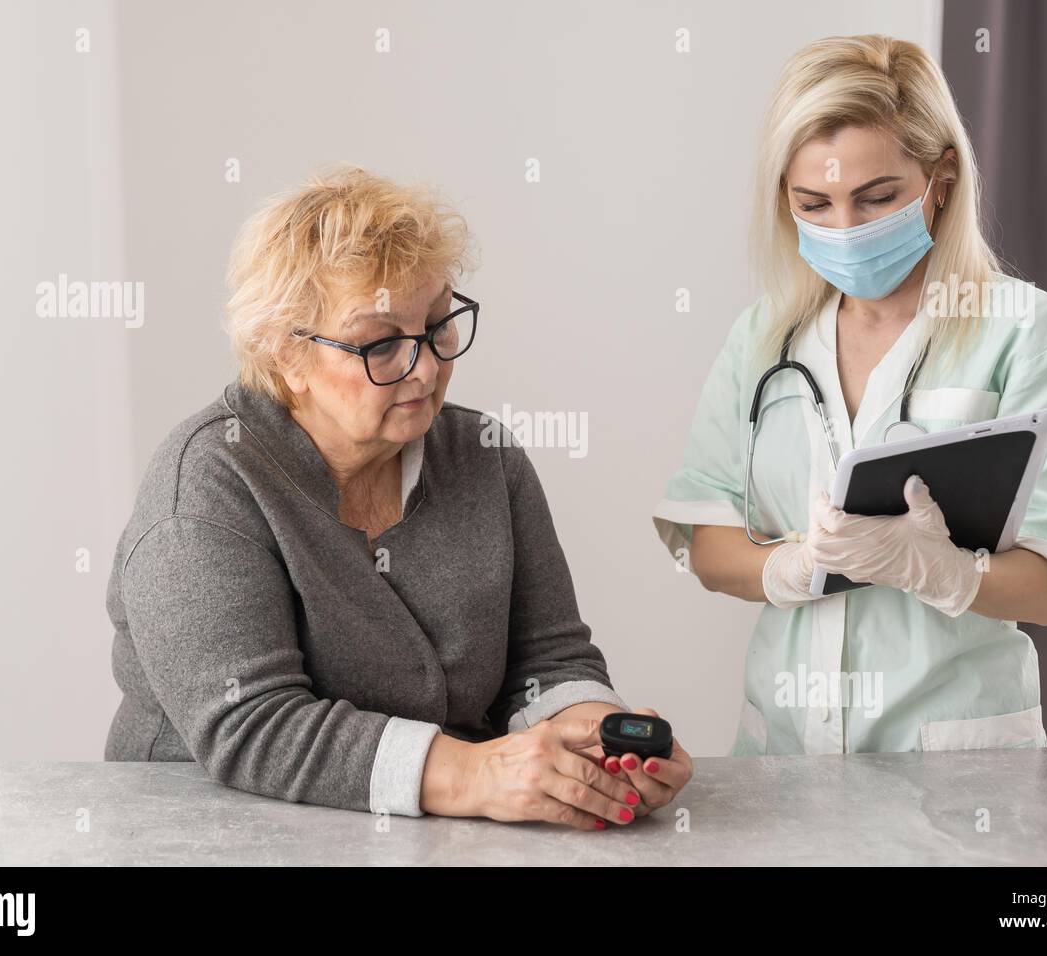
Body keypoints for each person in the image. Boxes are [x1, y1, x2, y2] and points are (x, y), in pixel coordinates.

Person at [106, 164, 692, 827]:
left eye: (439, 325)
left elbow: (548, 657)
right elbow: (253, 724)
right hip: (210, 837)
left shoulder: (485, 457)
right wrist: (473, 773)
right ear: (283, 355)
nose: (428, 367)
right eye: (381, 343)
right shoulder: (208, 481)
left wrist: (596, 741)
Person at [652, 35, 1047, 754]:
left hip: (958, 769)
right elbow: (709, 542)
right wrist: (794, 567)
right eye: (812, 202)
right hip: (782, 756)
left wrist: (943, 571)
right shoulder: (762, 339)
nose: (843, 229)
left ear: (941, 179)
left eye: (877, 198)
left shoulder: (1036, 334)